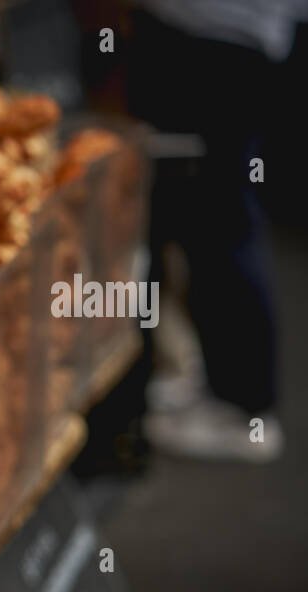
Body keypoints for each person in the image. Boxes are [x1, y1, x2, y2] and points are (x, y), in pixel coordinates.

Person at [126, 0, 302, 462]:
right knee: (199, 220)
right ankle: (222, 389)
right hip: (213, 38)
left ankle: (246, 409)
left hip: (220, 43)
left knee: (221, 224)